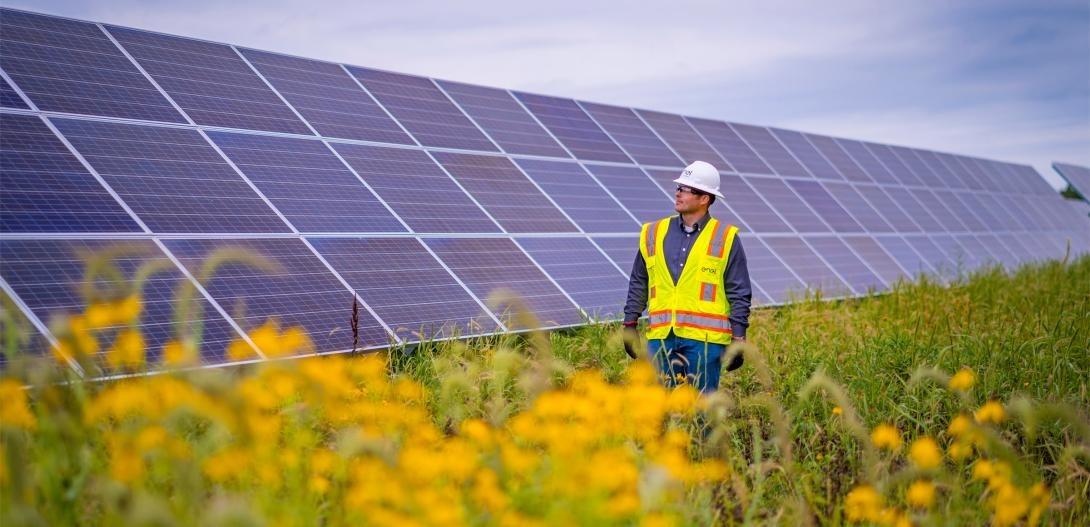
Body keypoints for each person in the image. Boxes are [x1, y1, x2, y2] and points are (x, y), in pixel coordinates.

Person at [622, 161, 752, 394]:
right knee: (656, 409)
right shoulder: (653, 232)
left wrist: (739, 338)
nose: (678, 192)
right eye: (679, 187)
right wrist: (630, 323)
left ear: (704, 198)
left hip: (705, 343)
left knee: (702, 411)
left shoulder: (725, 237)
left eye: (686, 189)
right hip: (661, 337)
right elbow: (639, 281)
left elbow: (739, 292)